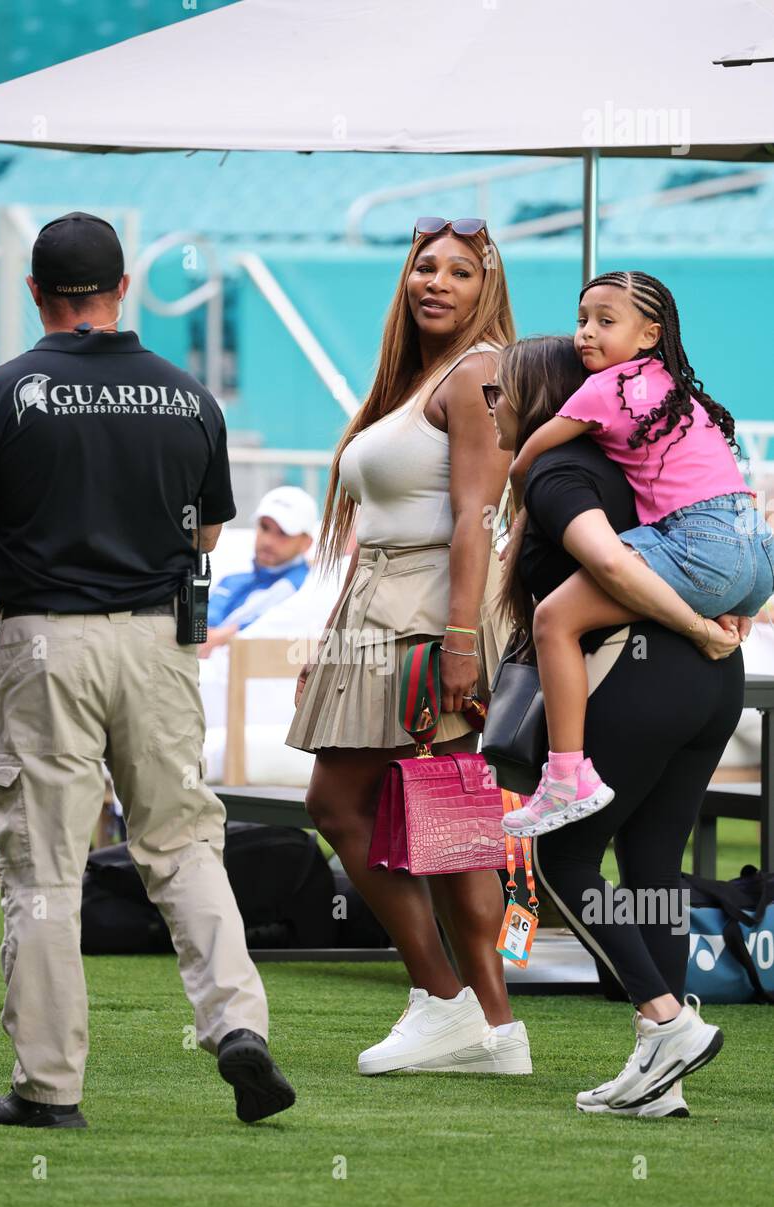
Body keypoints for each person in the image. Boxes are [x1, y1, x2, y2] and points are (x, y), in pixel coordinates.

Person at [0, 210, 295, 1128]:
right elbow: (208, 535)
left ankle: (50, 1089)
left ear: (36, 291)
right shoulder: (189, 398)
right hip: (158, 644)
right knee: (184, 845)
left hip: (45, 642)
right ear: (123, 288)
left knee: (45, 868)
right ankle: (237, 1024)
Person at [286, 215, 529, 1077]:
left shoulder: (480, 372)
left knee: (343, 804)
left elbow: (475, 516)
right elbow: (376, 530)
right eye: (426, 267)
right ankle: (493, 1029)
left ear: (487, 288)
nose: (437, 283)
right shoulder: (413, 380)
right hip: (378, 611)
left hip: (429, 616)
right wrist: (331, 639)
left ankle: (443, 999)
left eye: (460, 272)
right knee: (450, 819)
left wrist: (460, 640)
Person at [488, 334, 748, 1118]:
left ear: (541, 397)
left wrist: (692, 626)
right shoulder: (635, 458)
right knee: (652, 866)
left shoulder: (560, 472)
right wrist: (708, 627)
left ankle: (665, 1023)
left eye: (501, 391)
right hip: (711, 681)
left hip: (646, 673)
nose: (492, 405)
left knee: (564, 855)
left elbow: (610, 566)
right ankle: (660, 1075)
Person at [502, 271, 773, 838]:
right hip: (754, 549)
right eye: (582, 320)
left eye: (605, 321)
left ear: (650, 334)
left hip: (702, 542)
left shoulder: (605, 388)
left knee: (553, 619)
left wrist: (518, 502)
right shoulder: (676, 390)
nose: (585, 333)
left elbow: (530, 452)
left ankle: (566, 776)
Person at [199, 485, 318, 657]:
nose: (268, 541)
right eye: (265, 527)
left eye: (283, 533)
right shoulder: (232, 579)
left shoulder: (307, 588)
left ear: (306, 543)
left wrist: (224, 636)